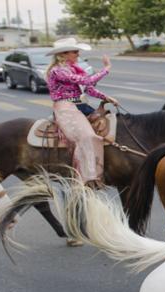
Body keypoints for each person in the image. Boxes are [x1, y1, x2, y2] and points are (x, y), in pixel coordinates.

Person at [45, 38, 112, 187]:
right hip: (65, 107)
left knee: (110, 124)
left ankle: (103, 166)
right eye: (75, 51)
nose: (78, 54)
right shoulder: (57, 71)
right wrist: (106, 68)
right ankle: (88, 178)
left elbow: (88, 89)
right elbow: (87, 81)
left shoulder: (74, 69)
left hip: (80, 105)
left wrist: (106, 98)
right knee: (88, 136)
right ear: (63, 54)